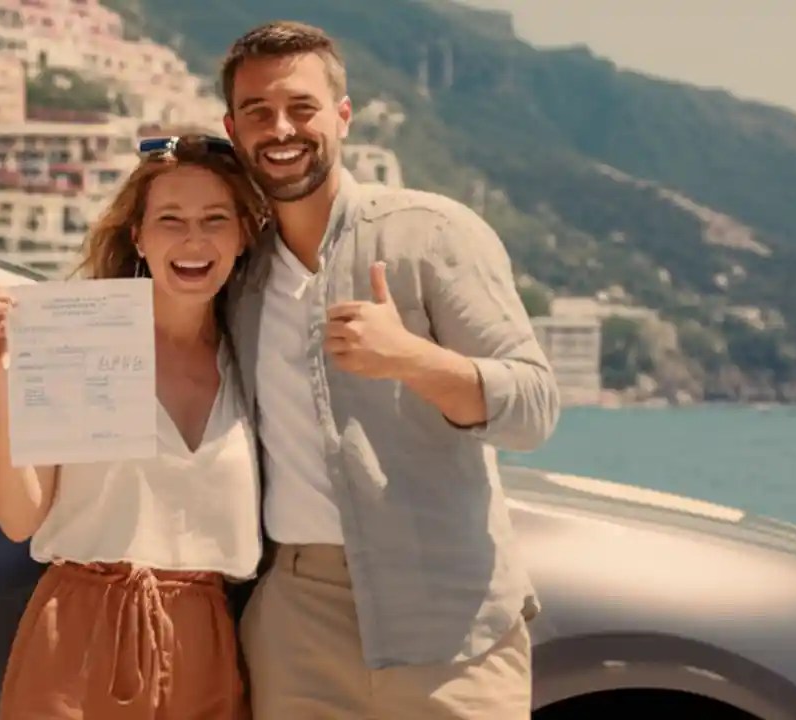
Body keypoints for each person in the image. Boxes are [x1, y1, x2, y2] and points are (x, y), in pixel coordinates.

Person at [218, 20, 562, 720]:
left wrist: (410, 359)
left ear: (343, 116)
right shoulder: (235, 271)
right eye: (258, 112)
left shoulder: (432, 234)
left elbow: (533, 408)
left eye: (302, 108)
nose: (280, 129)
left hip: (449, 617)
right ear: (233, 129)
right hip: (296, 623)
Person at [0, 133, 267, 720]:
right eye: (170, 220)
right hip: (81, 635)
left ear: (242, 235)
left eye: (214, 220)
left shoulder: (254, 358)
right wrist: (2, 381)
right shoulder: (82, 342)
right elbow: (21, 518)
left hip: (205, 638)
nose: (194, 240)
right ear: (139, 237)